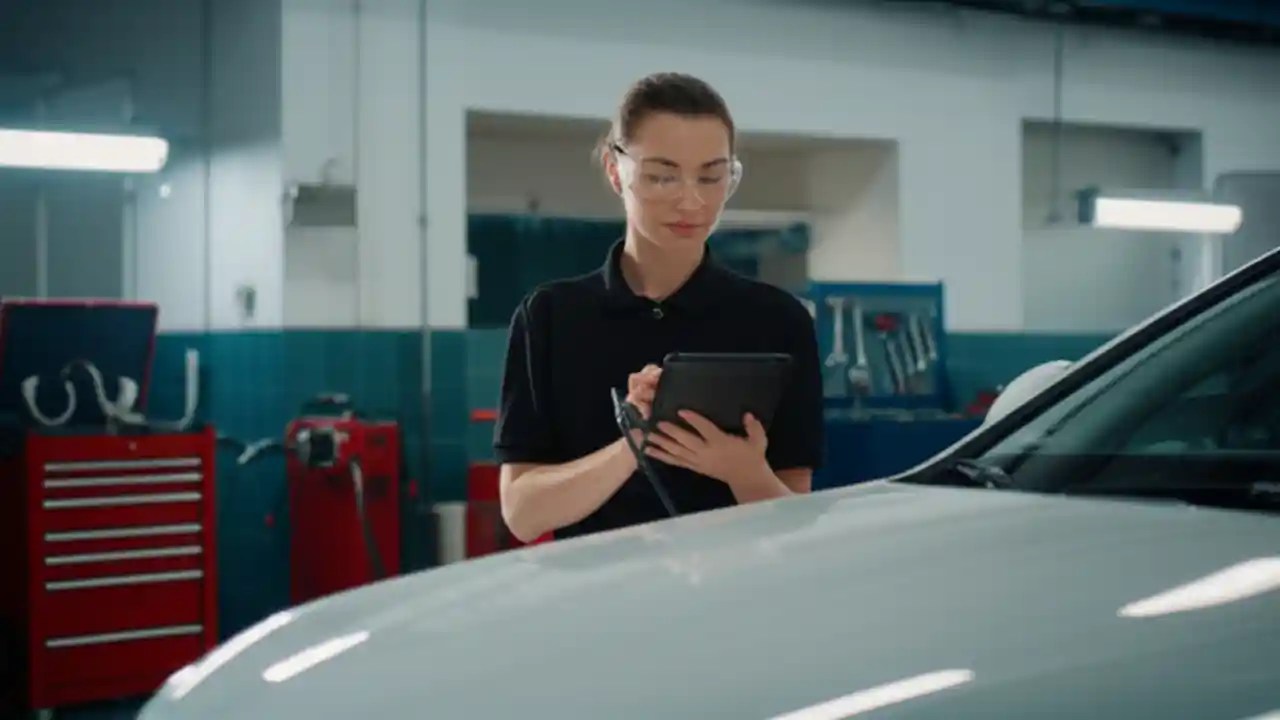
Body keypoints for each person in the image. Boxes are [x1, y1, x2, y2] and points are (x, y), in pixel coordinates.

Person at [494, 71, 824, 543]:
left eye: (711, 177)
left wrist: (743, 471)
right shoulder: (550, 317)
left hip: (737, 598)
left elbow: (799, 519)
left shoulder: (778, 321)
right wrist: (632, 444)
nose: (691, 200)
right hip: (600, 603)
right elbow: (523, 514)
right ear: (615, 170)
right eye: (662, 176)